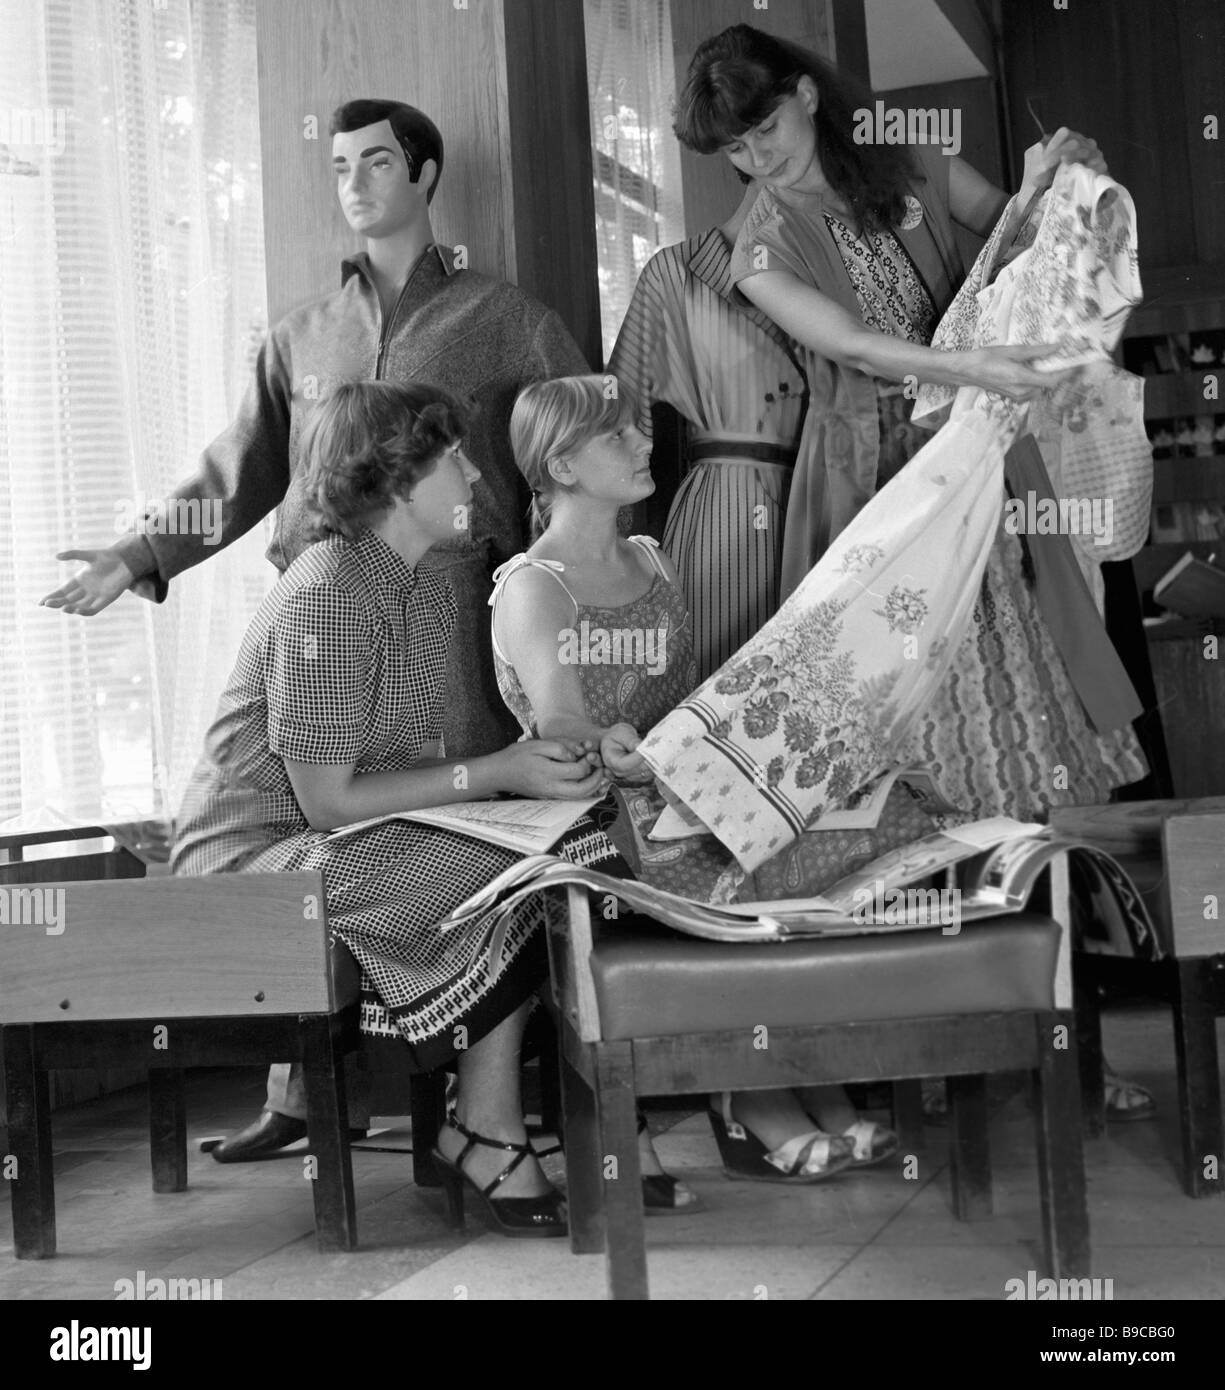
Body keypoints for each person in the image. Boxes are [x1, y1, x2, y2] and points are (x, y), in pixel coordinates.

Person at [40, 98, 592, 1156]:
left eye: (376, 161)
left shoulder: (507, 316)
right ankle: (307, 1094)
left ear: (425, 174)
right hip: (328, 598)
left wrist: (573, 586)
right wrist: (136, 553)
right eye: (338, 165)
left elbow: (552, 448)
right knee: (331, 812)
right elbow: (235, 468)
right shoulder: (299, 332)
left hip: (453, 616)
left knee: (454, 834)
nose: (352, 182)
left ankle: (482, 1107)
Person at [671, 23, 1153, 1120]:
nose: (757, 158)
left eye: (768, 127)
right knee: (900, 785)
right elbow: (850, 343)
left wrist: (1042, 188)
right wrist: (964, 364)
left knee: (1036, 778)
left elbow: (1005, 238)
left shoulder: (906, 161)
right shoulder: (756, 243)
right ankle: (942, 1060)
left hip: (987, 469)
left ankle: (1065, 1051)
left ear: (806, 93)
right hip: (879, 496)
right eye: (735, 149)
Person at [171, 379, 619, 1236]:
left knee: (564, 846)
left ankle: (486, 1126)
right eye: (451, 458)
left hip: (329, 842)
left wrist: (517, 776)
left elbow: (384, 779)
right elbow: (329, 800)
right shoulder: (332, 590)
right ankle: (484, 1133)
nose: (475, 477)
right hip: (251, 867)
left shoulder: (404, 578)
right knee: (523, 865)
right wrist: (495, 776)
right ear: (395, 482)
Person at [490, 375, 900, 1182]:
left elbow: (691, 691)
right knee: (754, 862)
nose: (645, 445)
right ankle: (751, 1096)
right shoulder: (535, 585)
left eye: (637, 431)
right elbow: (559, 723)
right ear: (563, 466)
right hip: (595, 811)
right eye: (618, 437)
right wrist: (632, 751)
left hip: (683, 789)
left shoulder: (651, 556)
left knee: (858, 817)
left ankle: (799, 1077)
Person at [607, 183, 807, 683]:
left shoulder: (834, 267)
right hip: (725, 509)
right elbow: (615, 415)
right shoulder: (676, 272)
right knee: (713, 693)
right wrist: (598, 559)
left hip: (828, 495)